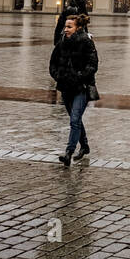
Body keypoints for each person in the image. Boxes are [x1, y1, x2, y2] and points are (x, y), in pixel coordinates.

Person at [49, 13, 98, 165]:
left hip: (81, 88)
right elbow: (53, 63)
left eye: (69, 27)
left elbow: (93, 65)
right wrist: (58, 76)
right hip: (65, 87)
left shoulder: (86, 42)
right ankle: (84, 146)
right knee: (75, 120)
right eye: (65, 26)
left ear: (79, 28)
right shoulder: (62, 41)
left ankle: (69, 152)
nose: (66, 29)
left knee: (75, 119)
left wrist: (80, 76)